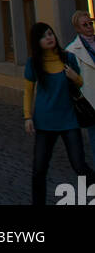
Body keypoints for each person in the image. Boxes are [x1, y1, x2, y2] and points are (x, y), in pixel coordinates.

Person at [25, 20, 95, 206]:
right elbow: (28, 90)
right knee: (39, 168)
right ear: (36, 42)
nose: (48, 38)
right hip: (45, 122)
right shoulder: (34, 63)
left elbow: (79, 84)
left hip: (68, 120)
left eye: (50, 34)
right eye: (43, 36)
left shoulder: (68, 58)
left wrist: (75, 77)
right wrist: (27, 117)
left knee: (79, 165)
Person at [65, 11, 95, 167]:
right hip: (90, 101)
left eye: (91, 23)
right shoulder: (71, 51)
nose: (89, 27)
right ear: (77, 28)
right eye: (85, 24)